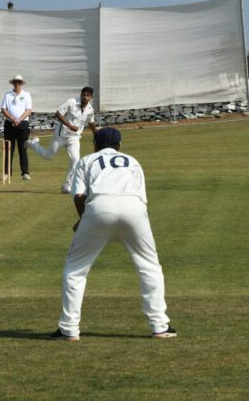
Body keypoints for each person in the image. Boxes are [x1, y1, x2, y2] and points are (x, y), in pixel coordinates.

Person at [50, 127, 176, 341]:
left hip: (100, 206)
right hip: (134, 209)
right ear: (119, 146)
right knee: (150, 267)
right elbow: (141, 198)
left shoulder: (87, 160)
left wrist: (83, 220)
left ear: (95, 145)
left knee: (75, 270)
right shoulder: (133, 161)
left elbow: (79, 195)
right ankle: (160, 326)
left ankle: (69, 329)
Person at [27, 87, 99, 194]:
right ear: (81, 94)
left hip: (74, 137)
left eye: (88, 95)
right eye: (83, 94)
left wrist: (96, 134)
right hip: (61, 135)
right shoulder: (72, 102)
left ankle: (67, 185)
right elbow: (58, 114)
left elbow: (91, 122)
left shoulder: (90, 110)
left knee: (75, 159)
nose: (85, 97)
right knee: (48, 155)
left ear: (90, 98)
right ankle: (33, 143)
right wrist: (70, 126)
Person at [0, 74, 33, 180]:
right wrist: (13, 118)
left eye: (19, 82)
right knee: (8, 149)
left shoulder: (27, 95)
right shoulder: (8, 95)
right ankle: (6, 173)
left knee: (22, 149)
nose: (17, 84)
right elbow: (3, 109)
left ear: (21, 84)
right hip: (10, 125)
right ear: (13, 83)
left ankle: (25, 173)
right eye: (15, 82)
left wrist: (19, 119)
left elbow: (28, 110)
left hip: (22, 125)